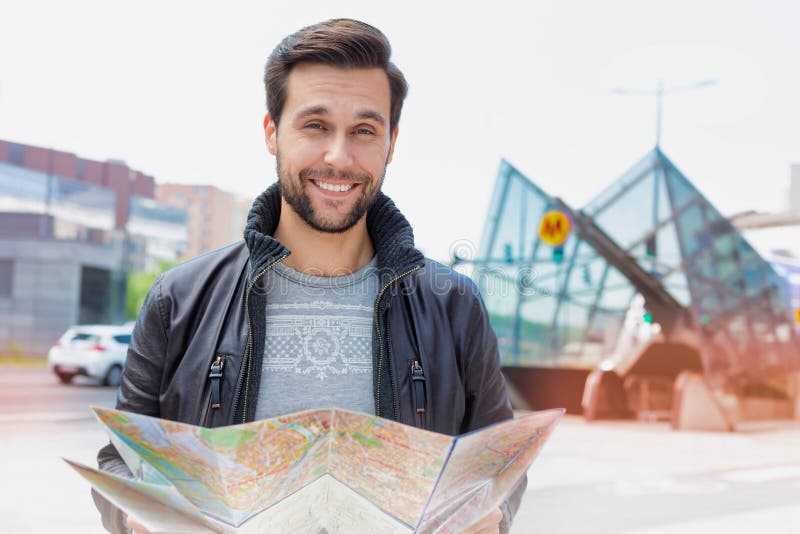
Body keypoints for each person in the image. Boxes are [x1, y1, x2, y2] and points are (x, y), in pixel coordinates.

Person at [95, 18, 523, 533]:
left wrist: (493, 517)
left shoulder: (454, 305)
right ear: (272, 133)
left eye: (365, 130)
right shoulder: (180, 298)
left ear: (392, 143)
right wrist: (135, 518)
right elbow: (122, 458)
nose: (339, 157)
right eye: (315, 125)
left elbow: (500, 464)